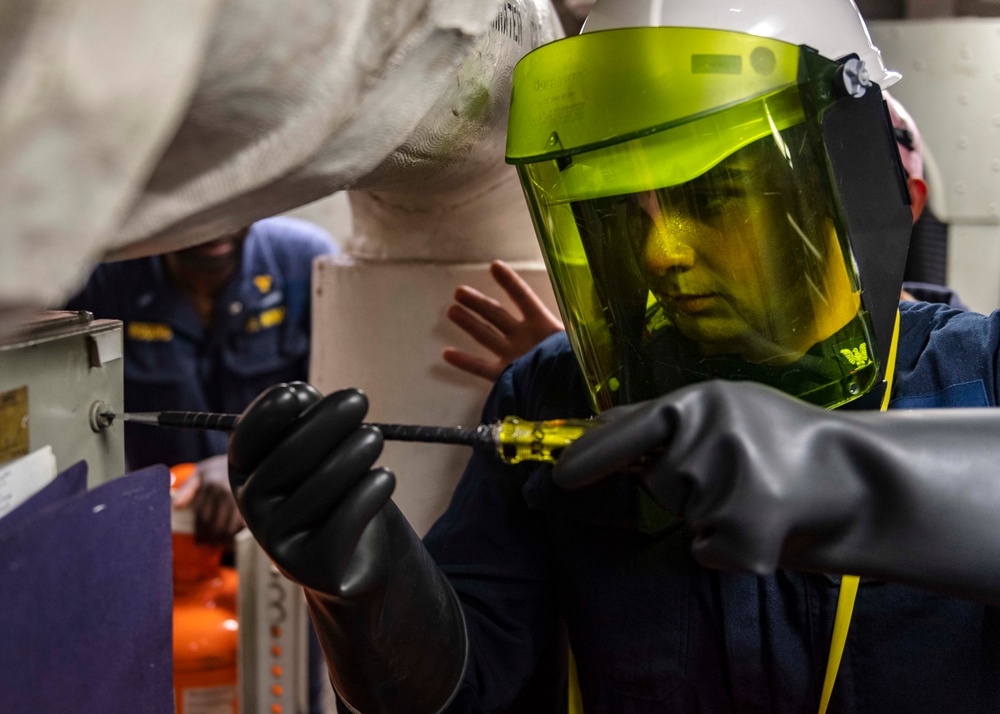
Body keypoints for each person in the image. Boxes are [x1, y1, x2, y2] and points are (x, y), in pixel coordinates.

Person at [224, 2, 1000, 713]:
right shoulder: (552, 393)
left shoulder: (981, 372)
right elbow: (466, 683)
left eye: (713, 195)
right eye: (626, 212)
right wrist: (371, 597)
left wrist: (851, 478)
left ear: (839, 175)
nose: (660, 251)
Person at [66, 214, 336, 714]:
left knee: (288, 688)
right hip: (157, 555)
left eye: (233, 209)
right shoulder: (104, 276)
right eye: (195, 212)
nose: (215, 227)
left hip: (278, 550)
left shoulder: (307, 262)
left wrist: (249, 468)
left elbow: (334, 407)